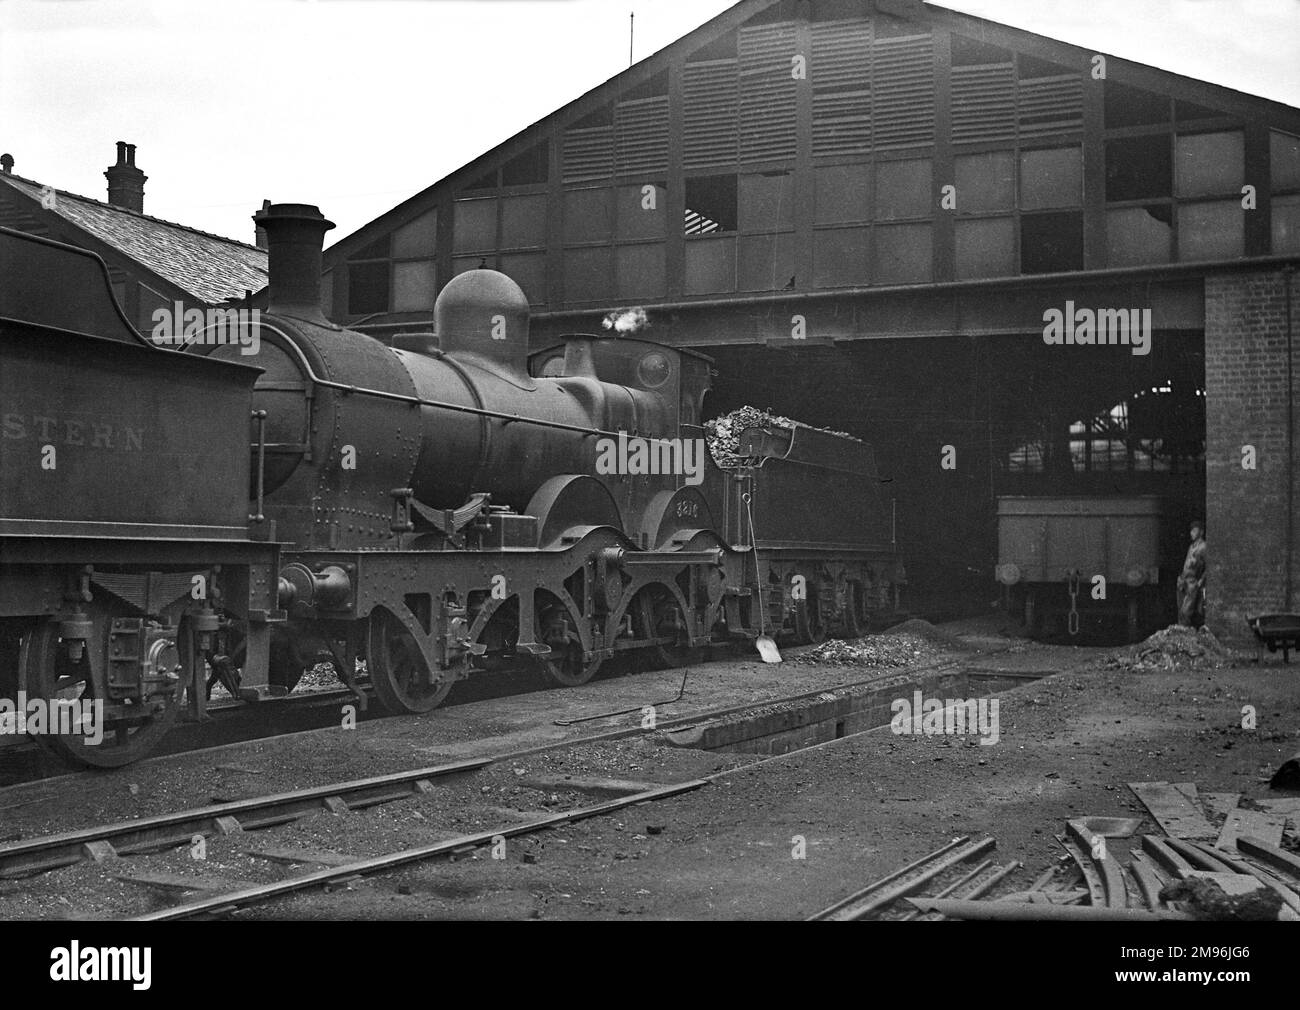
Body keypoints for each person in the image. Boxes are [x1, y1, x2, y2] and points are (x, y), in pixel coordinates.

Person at [1177, 520, 1207, 627]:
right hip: (1184, 581)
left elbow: (1209, 567)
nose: (1192, 533)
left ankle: (1184, 636)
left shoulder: (1203, 547)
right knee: (1181, 612)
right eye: (1191, 531)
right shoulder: (1191, 547)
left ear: (1201, 532)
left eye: (1195, 530)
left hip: (1192, 582)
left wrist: (1201, 581)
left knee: (1186, 612)